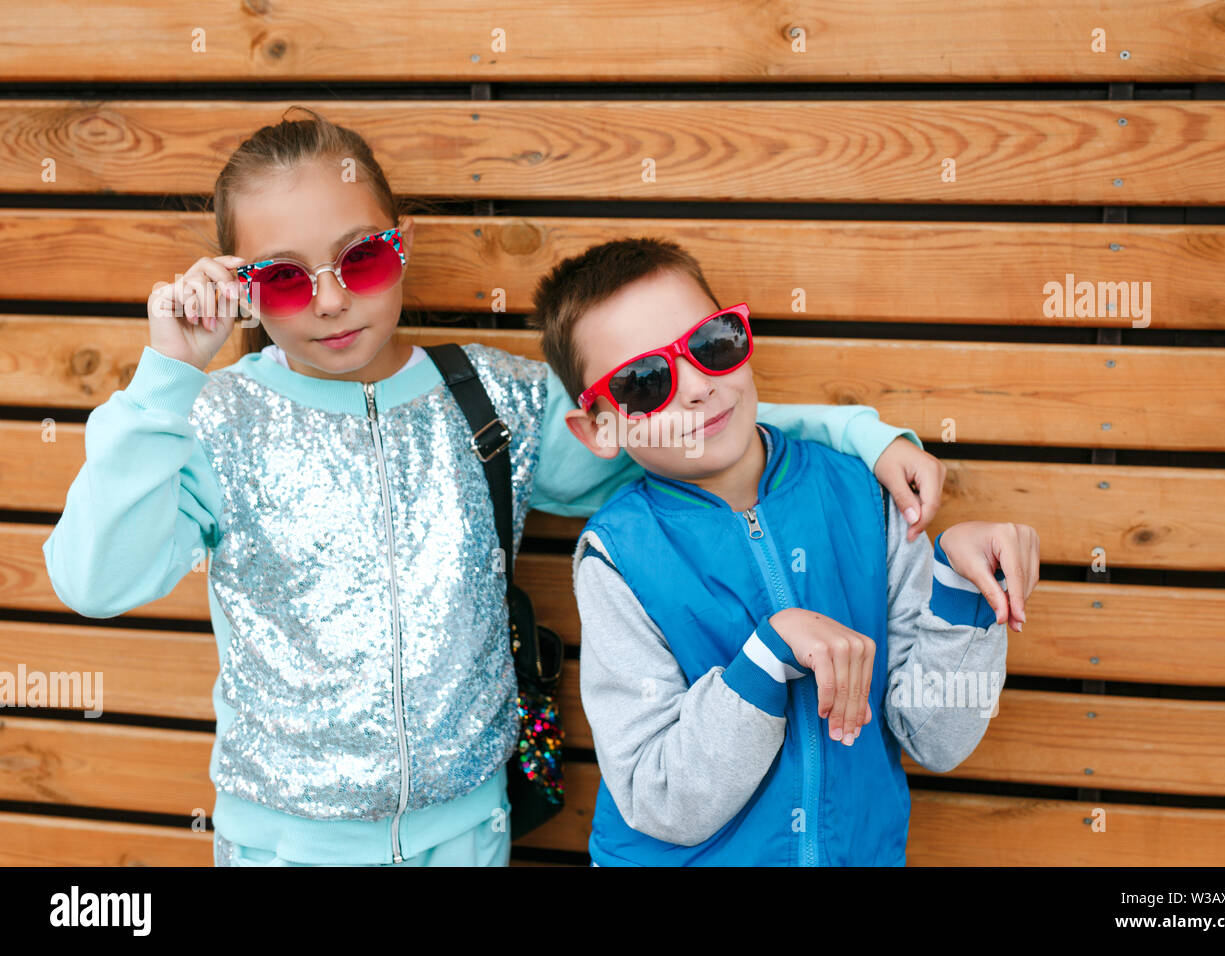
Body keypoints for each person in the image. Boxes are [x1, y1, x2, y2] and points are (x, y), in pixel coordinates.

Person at [41, 108, 951, 867]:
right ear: (241, 290)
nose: (328, 300)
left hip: (470, 834)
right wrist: (167, 375)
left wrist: (859, 437)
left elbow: (674, 415)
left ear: (406, 246)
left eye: (360, 258)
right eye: (281, 277)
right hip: (282, 845)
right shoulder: (212, 421)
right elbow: (93, 579)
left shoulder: (494, 399)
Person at [530, 237, 1040, 865]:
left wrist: (964, 599)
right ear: (598, 429)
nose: (694, 388)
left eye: (712, 344)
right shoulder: (616, 558)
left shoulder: (862, 496)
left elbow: (936, 739)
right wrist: (764, 663)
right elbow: (658, 799)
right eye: (644, 381)